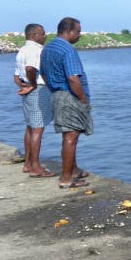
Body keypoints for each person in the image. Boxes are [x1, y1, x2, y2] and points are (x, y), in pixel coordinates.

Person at [39, 17, 93, 189]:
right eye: (78, 31)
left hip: (56, 94)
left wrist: (54, 89)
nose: (80, 35)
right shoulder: (68, 50)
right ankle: (66, 178)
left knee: (68, 135)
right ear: (69, 31)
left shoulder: (47, 48)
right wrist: (83, 99)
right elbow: (73, 78)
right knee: (71, 137)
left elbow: (44, 75)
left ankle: (74, 170)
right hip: (69, 96)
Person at [13, 23, 54, 177]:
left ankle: (28, 164)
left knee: (30, 127)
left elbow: (16, 76)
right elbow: (30, 68)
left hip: (28, 91)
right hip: (38, 91)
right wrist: (33, 84)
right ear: (34, 35)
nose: (45, 36)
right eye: (43, 33)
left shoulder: (22, 50)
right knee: (37, 129)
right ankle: (35, 167)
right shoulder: (36, 50)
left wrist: (24, 85)